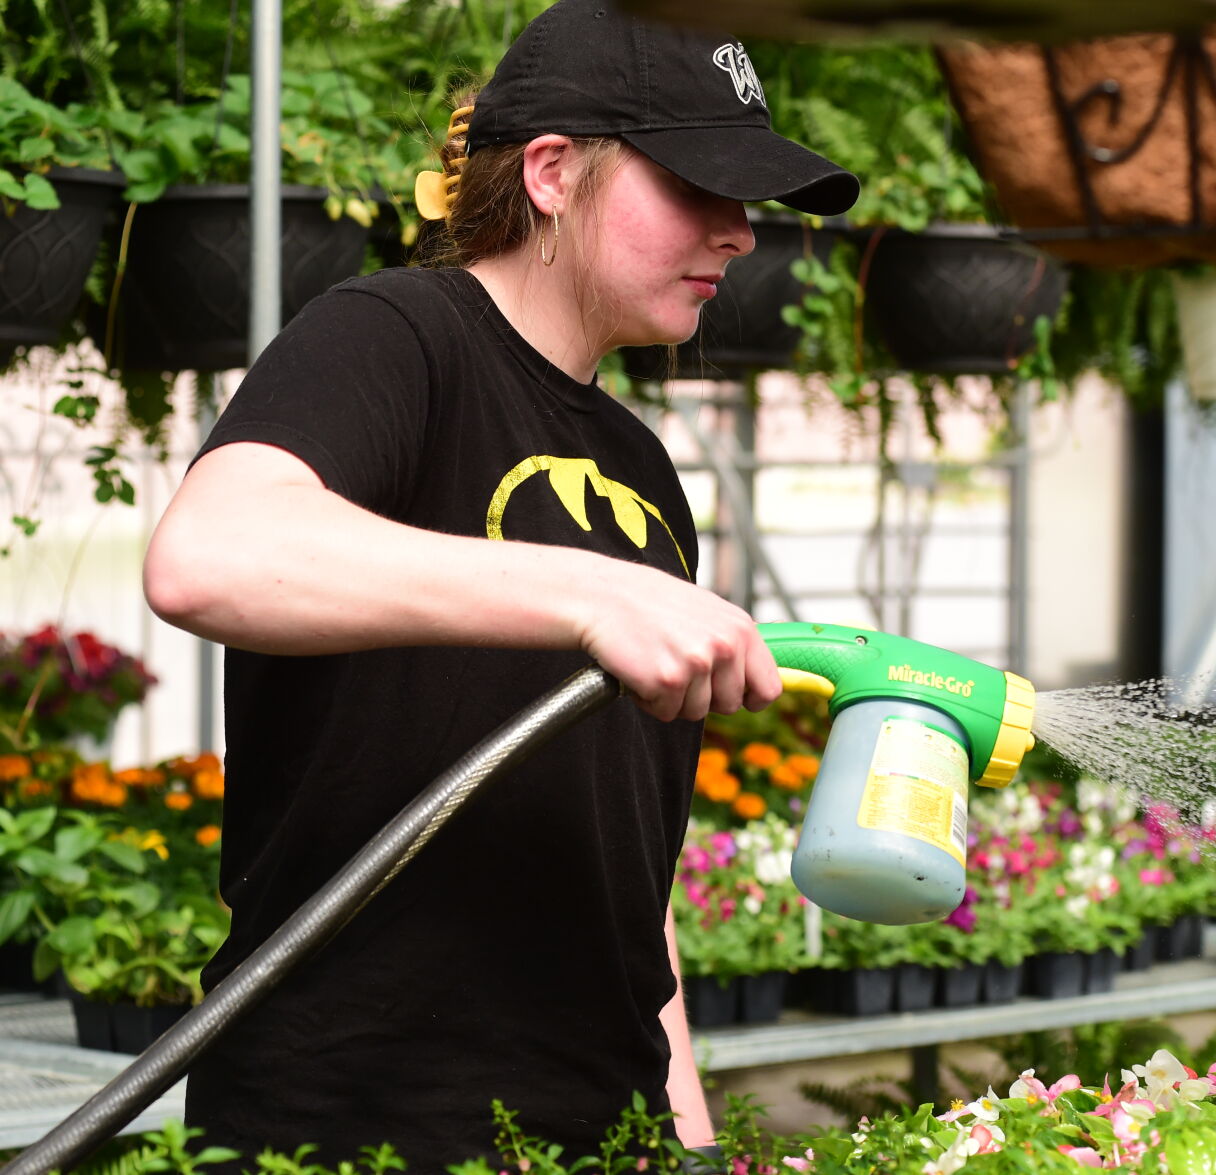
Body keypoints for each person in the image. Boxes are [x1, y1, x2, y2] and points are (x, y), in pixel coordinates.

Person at [141, 1, 858, 1166]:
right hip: (361, 1124)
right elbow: (209, 553)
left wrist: (680, 1125)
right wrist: (584, 591)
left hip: (599, 1124)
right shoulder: (395, 334)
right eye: (695, 185)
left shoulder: (638, 465)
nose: (738, 232)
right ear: (551, 171)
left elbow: (621, 853)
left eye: (748, 198)